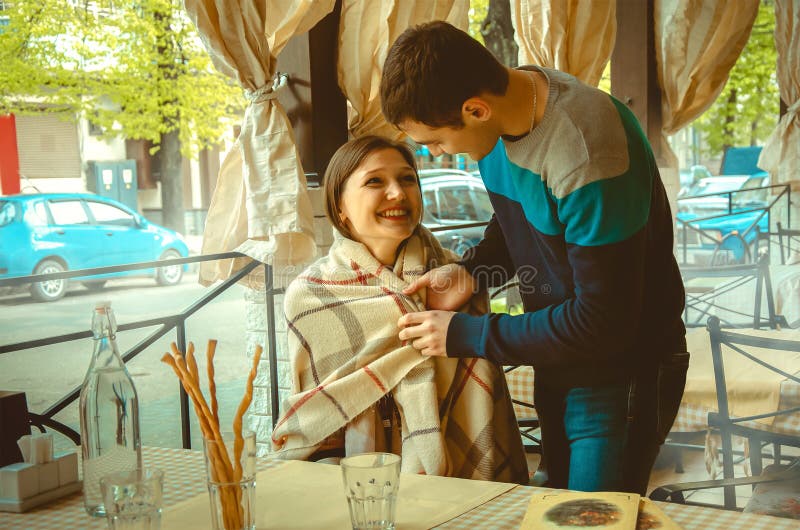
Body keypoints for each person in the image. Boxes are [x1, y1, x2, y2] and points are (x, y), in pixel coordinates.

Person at [380, 21, 688, 494]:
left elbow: (602, 322)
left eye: (434, 141)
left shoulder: (586, 151)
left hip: (623, 371)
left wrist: (465, 334)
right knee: (554, 507)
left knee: (592, 521)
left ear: (476, 109)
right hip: (561, 359)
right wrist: (473, 272)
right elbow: (520, 217)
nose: (438, 154)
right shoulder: (502, 117)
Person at [269, 135, 528, 484]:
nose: (398, 193)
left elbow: (483, 396)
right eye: (375, 181)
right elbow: (320, 414)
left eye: (407, 179)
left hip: (465, 480)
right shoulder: (311, 296)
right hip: (361, 481)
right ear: (339, 205)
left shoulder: (455, 278)